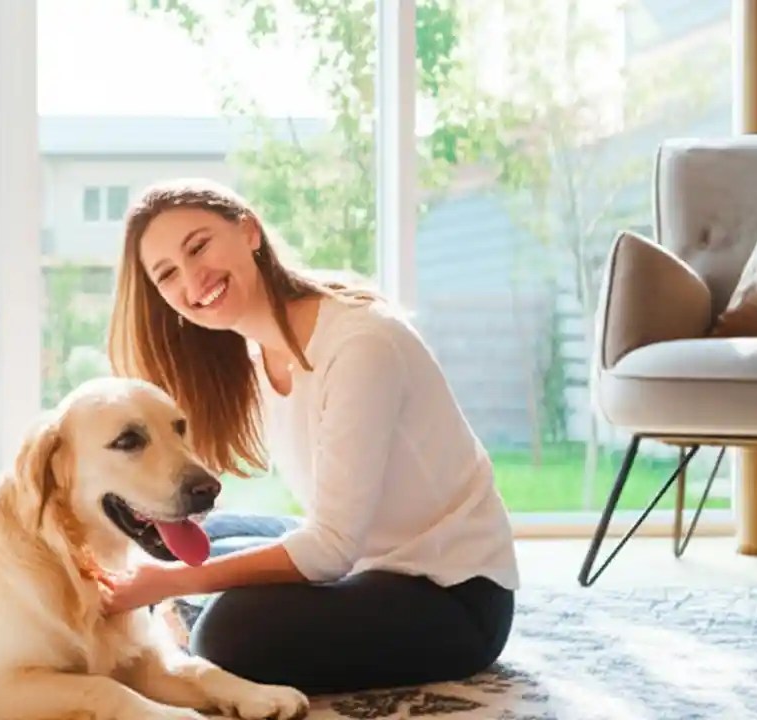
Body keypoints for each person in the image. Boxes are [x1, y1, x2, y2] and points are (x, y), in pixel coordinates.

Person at [102, 177, 520, 696]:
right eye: (168, 275)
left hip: (451, 594)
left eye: (199, 246)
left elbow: (332, 548)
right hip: (364, 557)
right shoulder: (255, 353)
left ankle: (185, 614)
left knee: (228, 634)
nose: (192, 279)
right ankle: (179, 607)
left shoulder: (361, 344)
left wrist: (171, 585)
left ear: (249, 230)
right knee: (184, 545)